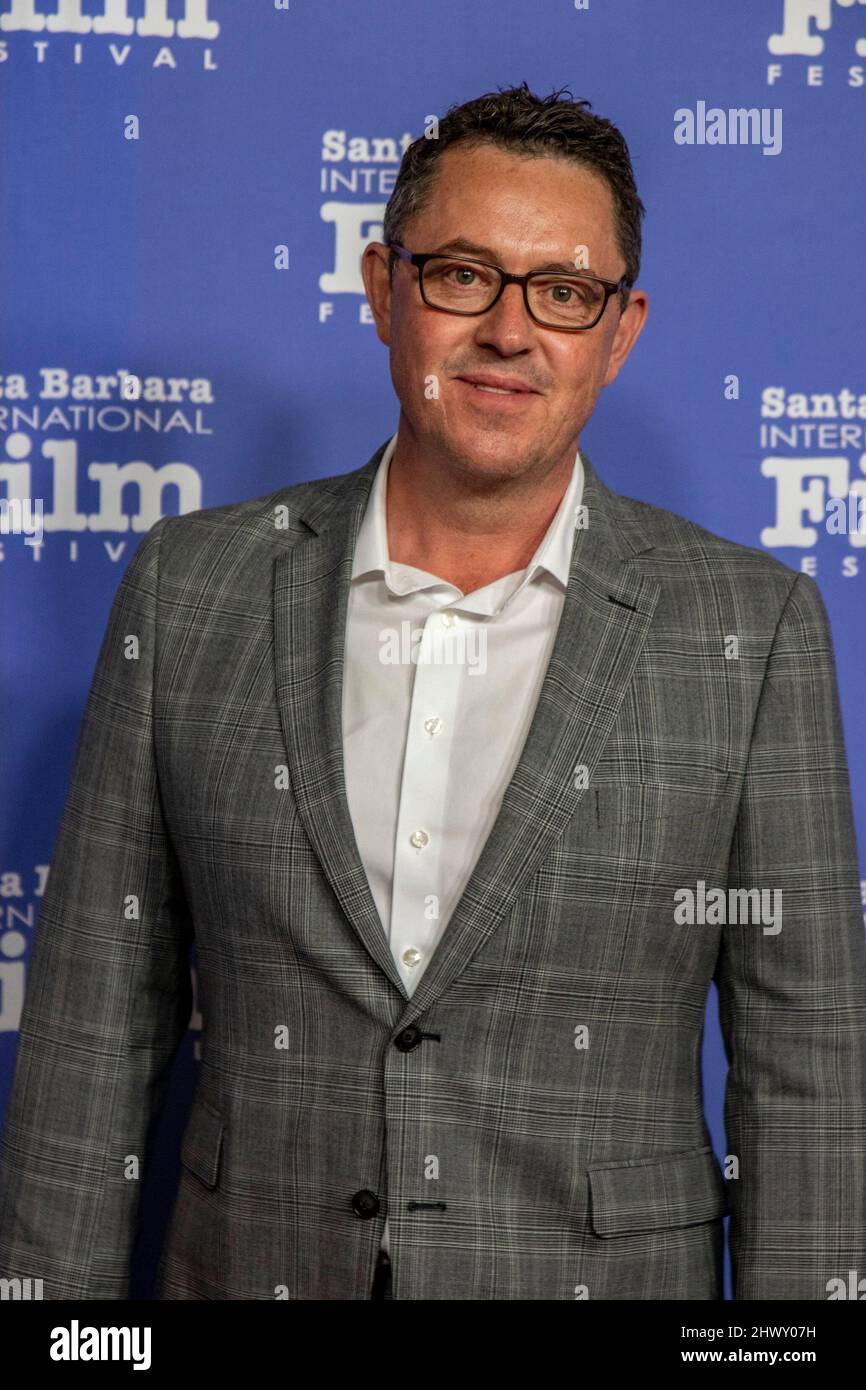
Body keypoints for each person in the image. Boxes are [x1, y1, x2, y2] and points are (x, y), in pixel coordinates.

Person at [1, 83, 864, 1301]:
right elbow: (95, 1029)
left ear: (618, 333)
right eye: (462, 273)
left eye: (563, 292)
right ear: (381, 289)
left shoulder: (749, 627)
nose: (510, 331)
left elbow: (806, 1076)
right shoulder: (189, 592)